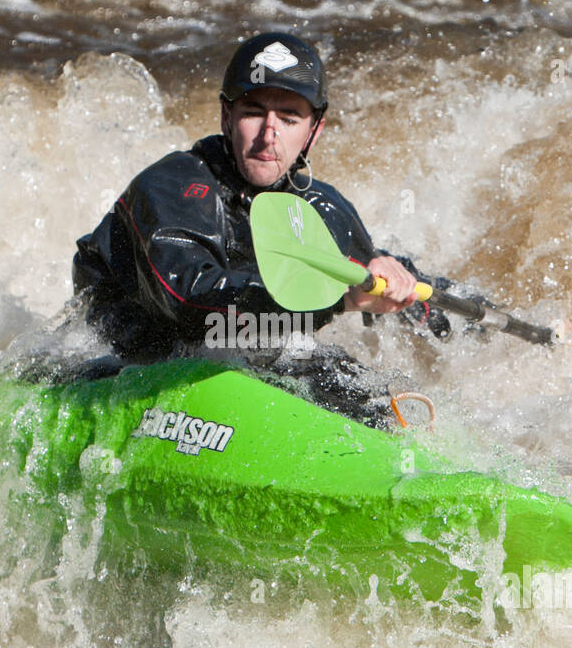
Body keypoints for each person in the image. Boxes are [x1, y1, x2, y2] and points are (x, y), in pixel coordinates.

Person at [71, 32, 430, 423]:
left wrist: (413, 291)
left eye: (289, 118)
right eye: (253, 112)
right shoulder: (171, 187)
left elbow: (371, 272)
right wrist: (340, 301)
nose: (269, 134)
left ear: (314, 130)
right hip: (132, 365)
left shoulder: (323, 206)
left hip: (245, 356)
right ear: (227, 117)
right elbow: (194, 309)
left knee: (379, 408)